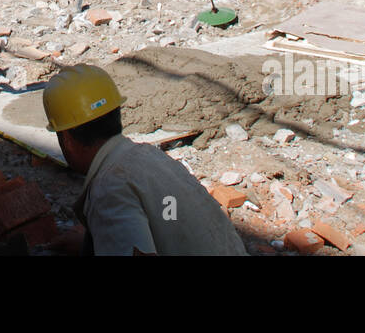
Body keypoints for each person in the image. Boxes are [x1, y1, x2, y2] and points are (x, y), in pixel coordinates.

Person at [43, 64, 248, 256]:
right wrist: (93, 242)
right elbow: (171, 223)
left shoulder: (109, 188)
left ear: (67, 139)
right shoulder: (150, 157)